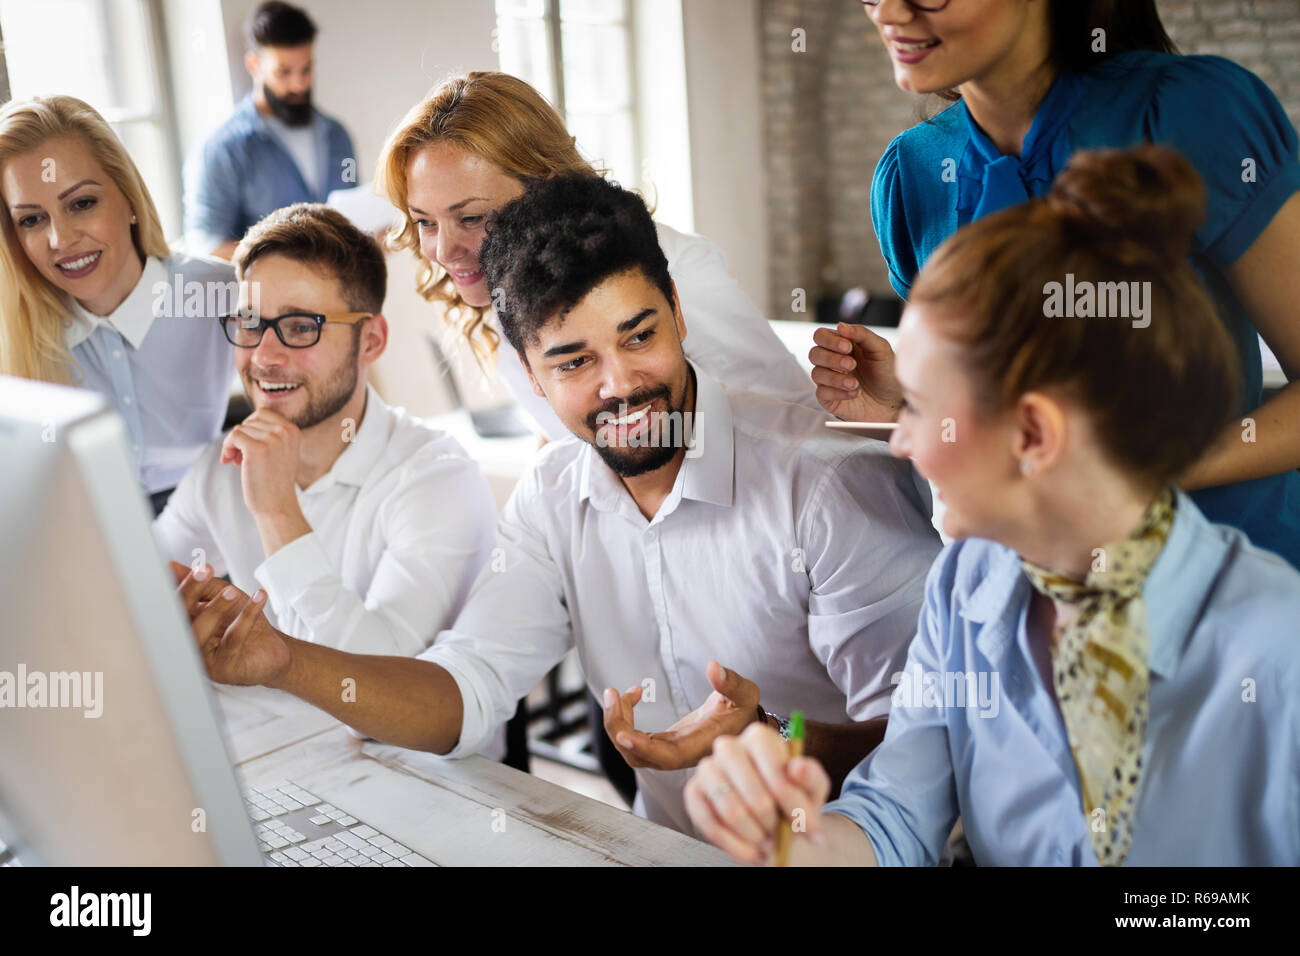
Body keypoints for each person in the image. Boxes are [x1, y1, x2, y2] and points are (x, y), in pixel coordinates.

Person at [172, 173, 943, 836]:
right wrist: (284, 662)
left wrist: (779, 736)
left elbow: (932, 750)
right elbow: (466, 690)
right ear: (531, 378)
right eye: (573, 360)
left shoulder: (827, 485)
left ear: (678, 310)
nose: (620, 385)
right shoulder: (552, 498)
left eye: (639, 336)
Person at [686, 146, 1300, 867]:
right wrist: (786, 834)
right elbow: (892, 821)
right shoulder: (967, 583)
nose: (903, 441)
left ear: (1034, 434)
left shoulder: (1276, 651)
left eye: (920, 408)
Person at [811, 0, 1300, 568]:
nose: (891, 12)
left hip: (1231, 582)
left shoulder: (1191, 115)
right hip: (1032, 604)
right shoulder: (913, 175)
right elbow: (1006, 434)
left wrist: (1144, 469)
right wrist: (908, 403)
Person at [375, 71, 821, 441]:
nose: (442, 251)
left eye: (472, 218)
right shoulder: (502, 294)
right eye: (425, 222)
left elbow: (799, 423)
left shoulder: (669, 269)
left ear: (546, 187)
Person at [153, 203, 496, 655]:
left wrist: (277, 513)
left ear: (370, 341)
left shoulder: (439, 479)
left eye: (299, 327)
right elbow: (136, 589)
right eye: (250, 323)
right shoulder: (223, 464)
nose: (263, 356)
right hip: (246, 723)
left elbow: (380, 690)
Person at [0, 94, 233, 513]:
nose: (61, 240)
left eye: (81, 203)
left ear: (127, 198)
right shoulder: (15, 332)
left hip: (214, 521)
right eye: (32, 220)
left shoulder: (218, 292)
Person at [184, 1, 357, 260]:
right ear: (254, 65)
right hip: (263, 299)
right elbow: (207, 247)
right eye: (284, 72)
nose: (299, 84)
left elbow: (351, 217)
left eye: (306, 69)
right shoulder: (221, 150)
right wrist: (294, 258)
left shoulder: (338, 136)